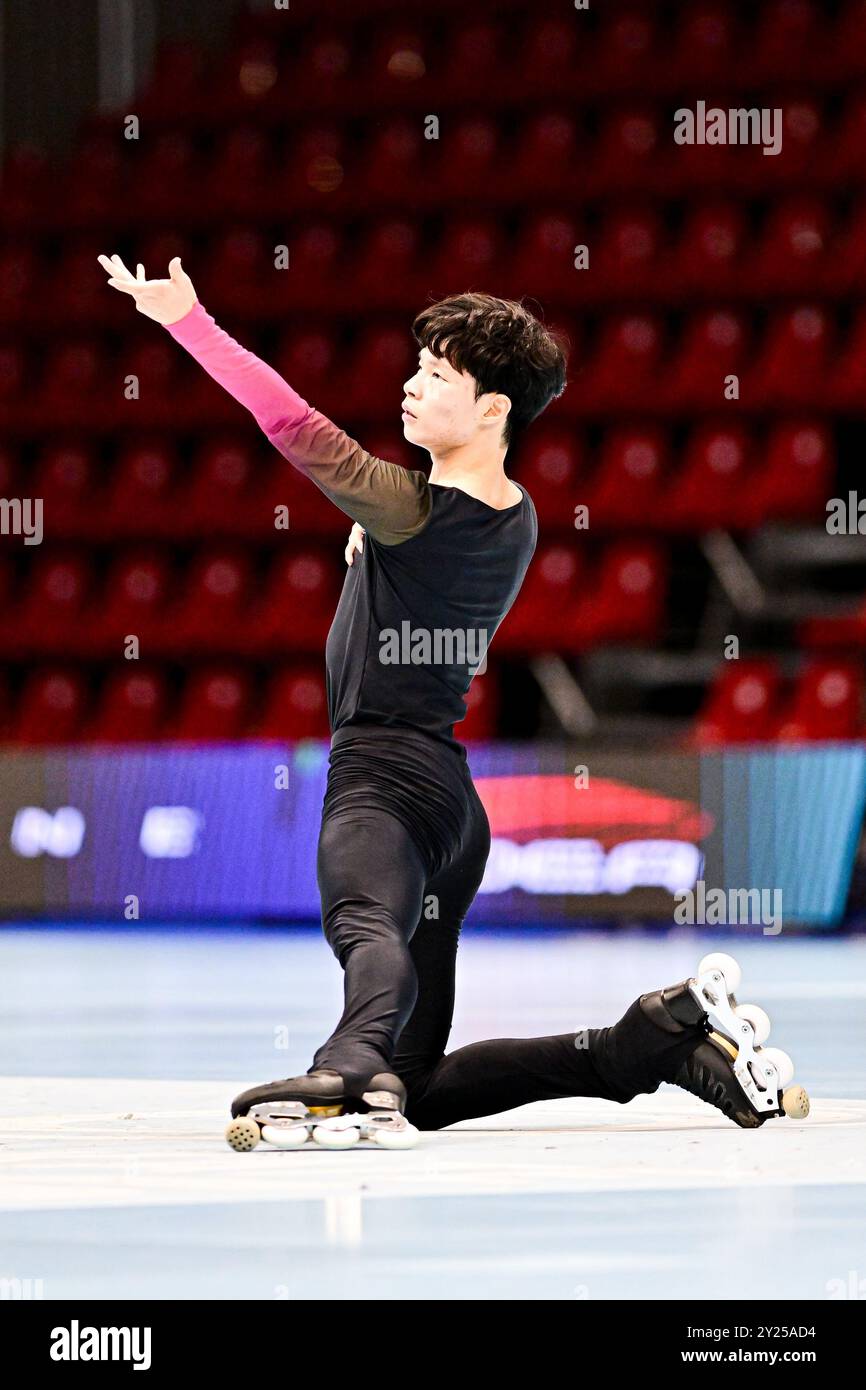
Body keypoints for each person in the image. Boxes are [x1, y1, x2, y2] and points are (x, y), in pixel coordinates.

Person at [98, 254, 807, 1136]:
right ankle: (645, 1046)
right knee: (422, 1087)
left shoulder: (409, 512)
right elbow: (426, 550)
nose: (410, 386)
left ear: (492, 409)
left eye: (436, 375)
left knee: (365, 928)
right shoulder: (517, 515)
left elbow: (287, 420)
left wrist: (187, 321)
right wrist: (374, 540)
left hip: (381, 779)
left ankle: (347, 1061)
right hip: (451, 810)